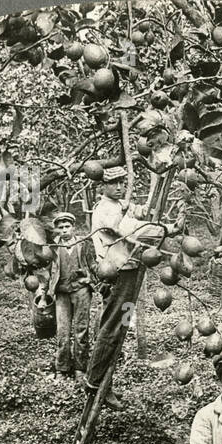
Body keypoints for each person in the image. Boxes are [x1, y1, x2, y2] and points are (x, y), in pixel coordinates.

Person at [84, 166, 148, 411]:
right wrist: (167, 228)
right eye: (114, 183)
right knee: (112, 327)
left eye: (123, 182)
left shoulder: (120, 204)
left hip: (130, 271)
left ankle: (105, 384)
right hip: (117, 274)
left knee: (121, 323)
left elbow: (138, 212)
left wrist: (149, 209)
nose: (119, 187)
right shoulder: (105, 210)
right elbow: (127, 229)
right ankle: (94, 381)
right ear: (103, 186)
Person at [50, 212, 95, 382]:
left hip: (81, 290)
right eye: (60, 227)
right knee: (62, 331)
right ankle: (61, 368)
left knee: (81, 330)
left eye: (67, 226)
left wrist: (92, 277)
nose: (64, 230)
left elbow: (92, 263)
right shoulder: (53, 246)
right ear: (56, 230)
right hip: (61, 292)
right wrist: (44, 289)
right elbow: (46, 270)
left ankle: (80, 368)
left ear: (73, 227)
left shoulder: (83, 244)